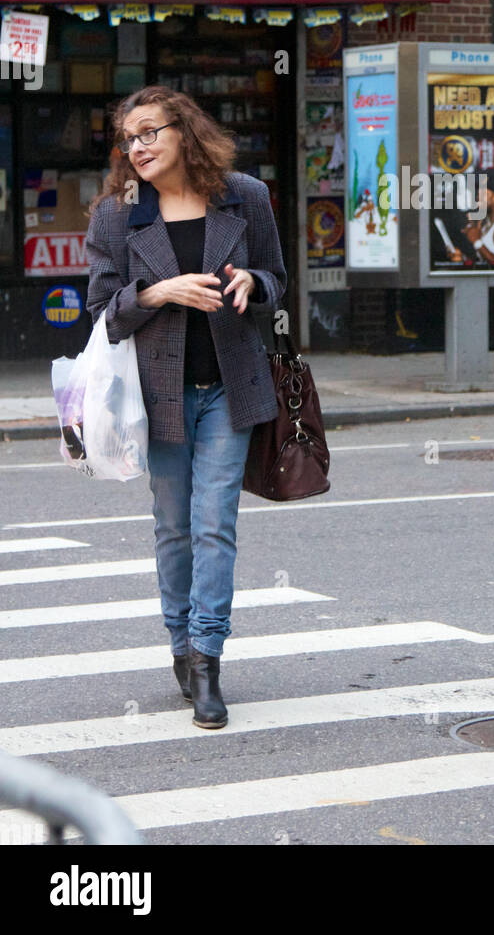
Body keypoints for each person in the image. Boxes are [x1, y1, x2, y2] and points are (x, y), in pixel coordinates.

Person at [85, 86, 287, 730]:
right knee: (173, 527)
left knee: (213, 524)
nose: (138, 147)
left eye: (150, 132)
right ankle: (179, 643)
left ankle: (207, 659)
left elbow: (279, 278)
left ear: (184, 130)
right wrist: (160, 291)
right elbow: (102, 313)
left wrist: (255, 284)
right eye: (129, 139)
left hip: (230, 388)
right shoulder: (117, 216)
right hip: (157, 396)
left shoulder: (244, 196)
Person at [462, 171, 494, 266]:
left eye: (483, 192)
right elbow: (484, 261)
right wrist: (461, 258)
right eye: (478, 192)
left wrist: (477, 241)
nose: (478, 197)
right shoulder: (485, 226)